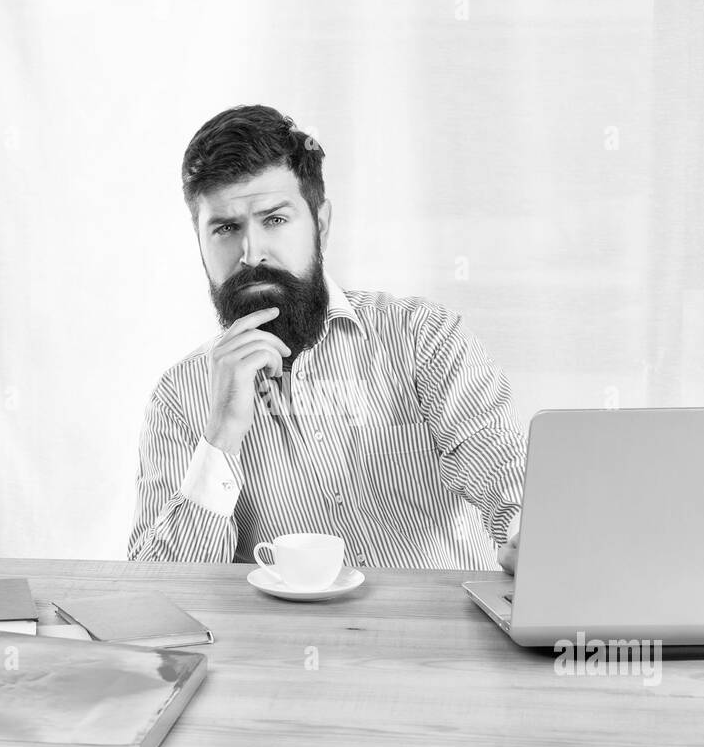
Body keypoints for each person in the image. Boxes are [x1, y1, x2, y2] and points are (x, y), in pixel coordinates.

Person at [129, 104, 525, 574]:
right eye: (225, 228)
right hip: (284, 646)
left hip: (439, 639)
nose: (251, 253)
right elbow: (159, 591)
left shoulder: (423, 338)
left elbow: (498, 464)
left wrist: (531, 539)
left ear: (321, 223)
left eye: (274, 219)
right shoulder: (179, 398)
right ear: (199, 242)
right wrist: (221, 437)